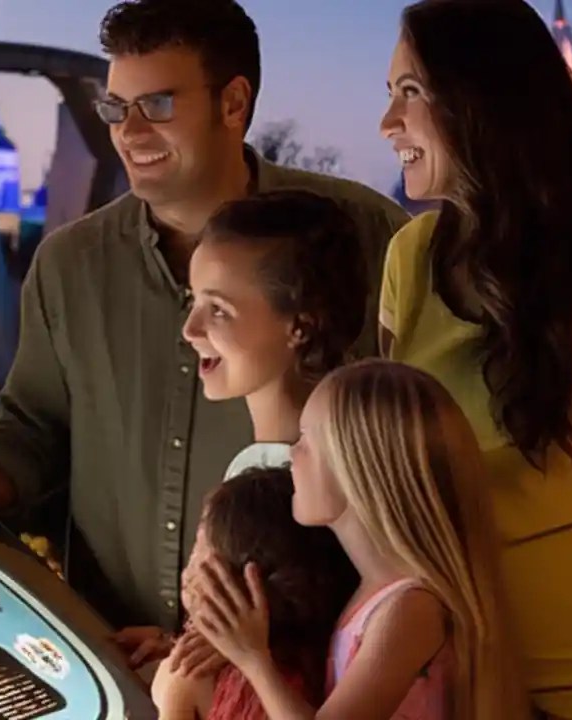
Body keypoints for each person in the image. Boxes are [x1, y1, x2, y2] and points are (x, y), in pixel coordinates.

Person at [0, 0, 410, 658]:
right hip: (114, 656)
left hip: (309, 672)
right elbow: (33, 430)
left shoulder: (365, 235)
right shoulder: (71, 263)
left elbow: (423, 453)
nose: (131, 131)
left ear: (233, 104)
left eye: (158, 104)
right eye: (117, 109)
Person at [377, 1, 572, 715]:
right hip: (459, 682)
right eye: (388, 94)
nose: (387, 124)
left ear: (483, 102)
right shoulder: (408, 260)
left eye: (411, 93)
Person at [187, 360, 531, 720]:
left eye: (307, 440)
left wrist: (254, 659)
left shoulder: (409, 609)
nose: (293, 454)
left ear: (357, 472)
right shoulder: (365, 587)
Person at [147, 189, 367, 684]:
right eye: (193, 301)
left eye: (218, 310)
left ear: (300, 327)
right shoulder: (278, 463)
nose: (190, 328)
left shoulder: (305, 487)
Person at [152, 467, 357, 719]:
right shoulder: (319, 656)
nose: (190, 566)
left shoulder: (189, 678)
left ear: (226, 586)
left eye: (198, 546)